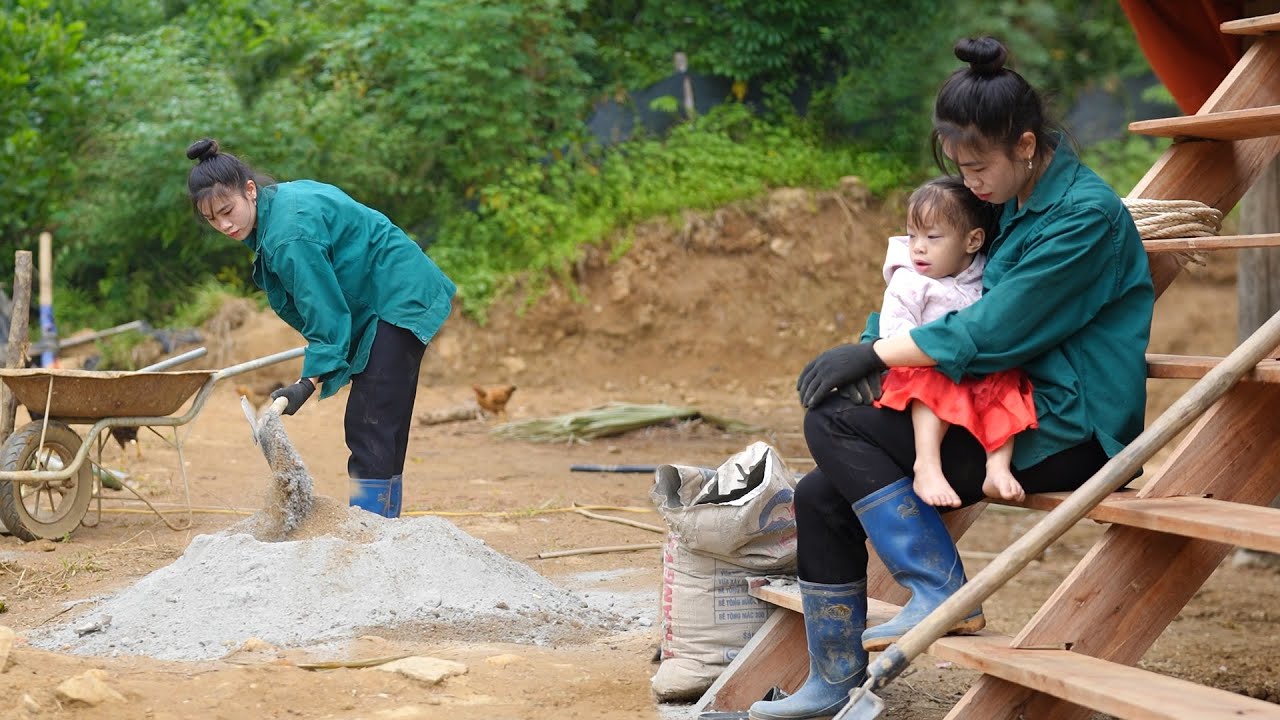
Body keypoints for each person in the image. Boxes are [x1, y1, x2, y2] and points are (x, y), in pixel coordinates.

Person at [751, 36, 1154, 720]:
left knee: (833, 420)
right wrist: (874, 343)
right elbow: (938, 286)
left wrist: (877, 358)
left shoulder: (1084, 218)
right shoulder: (1007, 197)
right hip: (990, 403)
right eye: (958, 166)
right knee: (822, 494)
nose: (970, 183)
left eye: (979, 166)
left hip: (1063, 424)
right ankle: (832, 678)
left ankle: (943, 592)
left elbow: (994, 332)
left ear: (1026, 145)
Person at [184, 138, 457, 519]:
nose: (224, 225)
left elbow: (324, 311)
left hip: (397, 297)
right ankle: (384, 529)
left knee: (370, 421)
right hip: (388, 294)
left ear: (250, 190)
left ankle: (370, 530)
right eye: (212, 219)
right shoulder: (279, 204)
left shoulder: (287, 236)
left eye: (228, 211)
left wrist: (307, 382)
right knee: (382, 420)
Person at [873, 176, 1035, 508]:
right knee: (935, 383)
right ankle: (927, 464)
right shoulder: (908, 281)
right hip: (924, 370)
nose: (918, 246)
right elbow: (894, 334)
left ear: (973, 241)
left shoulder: (987, 273)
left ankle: (997, 466)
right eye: (912, 234)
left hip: (974, 369)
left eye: (932, 237)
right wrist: (929, 353)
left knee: (1007, 385)